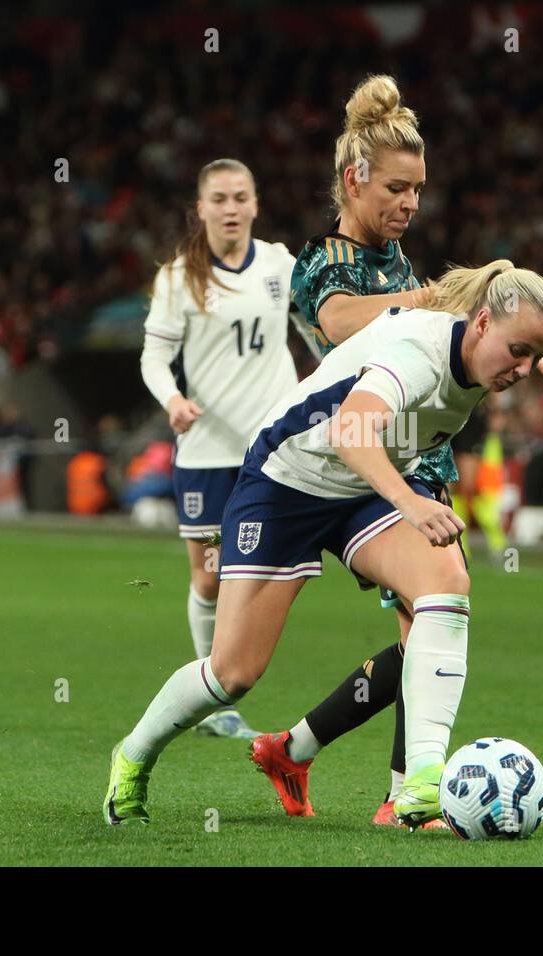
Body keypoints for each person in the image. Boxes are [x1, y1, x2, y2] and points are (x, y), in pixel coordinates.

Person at [246, 75, 543, 826]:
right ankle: (404, 798)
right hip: (365, 460)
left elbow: (467, 340)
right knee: (433, 611)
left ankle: (297, 750)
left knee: (430, 624)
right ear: (355, 180)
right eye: (398, 189)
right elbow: (345, 326)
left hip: (421, 453)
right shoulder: (323, 263)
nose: (410, 204)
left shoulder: (402, 266)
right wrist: (441, 293)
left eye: (419, 191)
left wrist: (536, 360)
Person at [104, 260, 543, 828]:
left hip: (365, 489)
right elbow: (351, 430)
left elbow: (502, 349)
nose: (521, 370)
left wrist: (542, 362)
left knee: (447, 585)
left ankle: (422, 783)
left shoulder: (482, 349)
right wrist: (413, 502)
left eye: (534, 356)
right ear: (481, 322)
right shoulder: (417, 357)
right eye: (518, 350)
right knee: (233, 673)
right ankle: (133, 754)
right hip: (286, 482)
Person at [139, 157, 315, 738]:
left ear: (256, 203)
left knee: (282, 566)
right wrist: (172, 400)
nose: (231, 208)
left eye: (241, 196)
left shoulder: (280, 265)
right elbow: (154, 359)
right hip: (208, 452)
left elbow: (316, 331)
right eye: (220, 198)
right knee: (212, 578)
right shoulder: (178, 278)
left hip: (274, 448)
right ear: (201, 208)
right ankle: (214, 697)